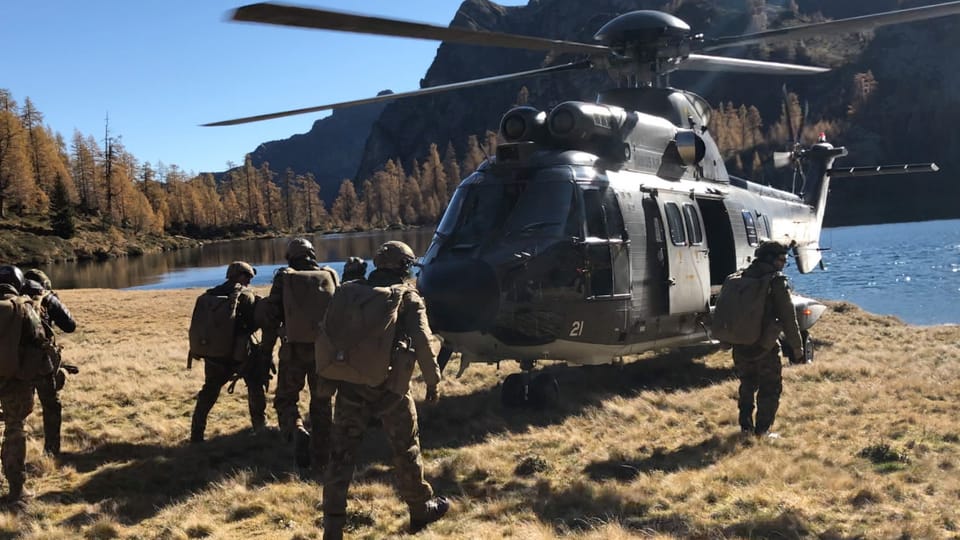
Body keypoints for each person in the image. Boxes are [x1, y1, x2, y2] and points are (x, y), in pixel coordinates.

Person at [321, 241, 448, 539]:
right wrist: (433, 382)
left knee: (340, 455)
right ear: (404, 267)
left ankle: (333, 527)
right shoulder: (408, 298)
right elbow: (424, 344)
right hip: (391, 390)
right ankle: (420, 510)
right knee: (406, 449)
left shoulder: (349, 292)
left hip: (350, 387)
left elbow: (327, 333)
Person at [258, 238, 339, 473]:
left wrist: (266, 351)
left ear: (290, 256)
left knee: (286, 399)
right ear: (312, 254)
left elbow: (272, 318)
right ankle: (322, 456)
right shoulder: (330, 275)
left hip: (293, 351)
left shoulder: (284, 277)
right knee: (322, 401)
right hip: (323, 352)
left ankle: (296, 431)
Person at [732, 241, 804, 439]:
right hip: (765, 345)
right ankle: (763, 432)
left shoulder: (741, 277)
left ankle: (745, 427)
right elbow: (788, 317)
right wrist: (797, 348)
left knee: (747, 384)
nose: (783, 264)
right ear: (770, 259)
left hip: (740, 344)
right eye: (782, 259)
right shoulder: (775, 281)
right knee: (770, 387)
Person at [189, 261, 267, 443]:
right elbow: (253, 324)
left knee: (209, 390)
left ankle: (197, 433)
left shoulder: (208, 296)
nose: (249, 281)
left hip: (215, 354)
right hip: (241, 354)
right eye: (248, 276)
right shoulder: (246, 296)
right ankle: (260, 428)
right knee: (255, 385)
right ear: (241, 276)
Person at [0, 265, 48, 504]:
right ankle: (17, 490)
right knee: (15, 430)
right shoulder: (23, 308)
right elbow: (40, 339)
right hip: (14, 382)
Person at [21, 269, 77, 456]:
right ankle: (51, 452)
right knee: (51, 405)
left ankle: (14, 457)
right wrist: (52, 299)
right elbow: (70, 325)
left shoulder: (10, 300)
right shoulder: (44, 297)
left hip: (13, 363)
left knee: (15, 414)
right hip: (41, 363)